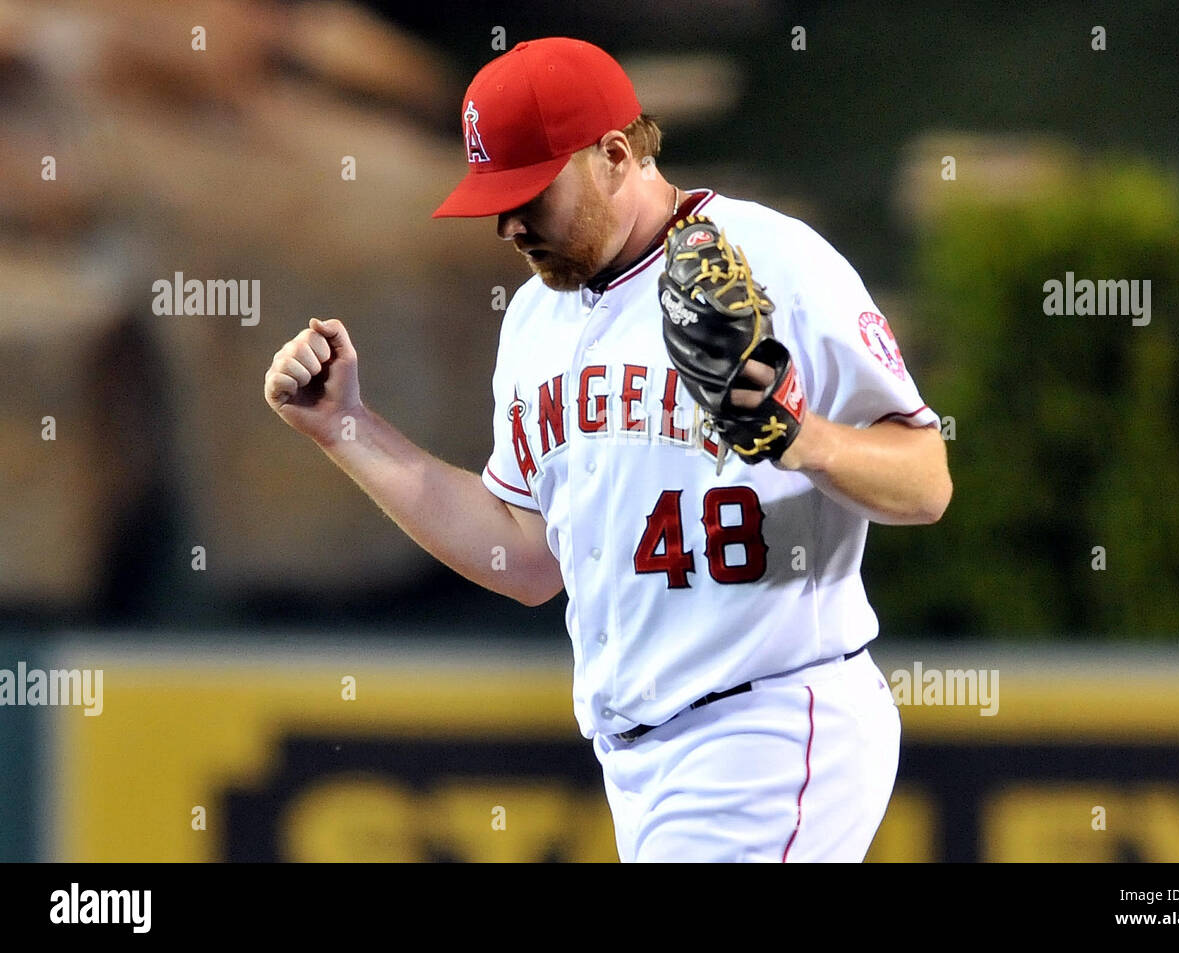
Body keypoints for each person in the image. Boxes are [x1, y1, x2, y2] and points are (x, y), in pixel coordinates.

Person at [264, 36, 952, 862]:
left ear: (616, 153)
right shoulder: (533, 322)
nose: (510, 224)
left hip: (769, 719)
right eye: (496, 198)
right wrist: (346, 425)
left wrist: (799, 437)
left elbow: (926, 480)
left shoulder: (777, 262)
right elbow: (523, 558)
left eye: (530, 193)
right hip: (637, 758)